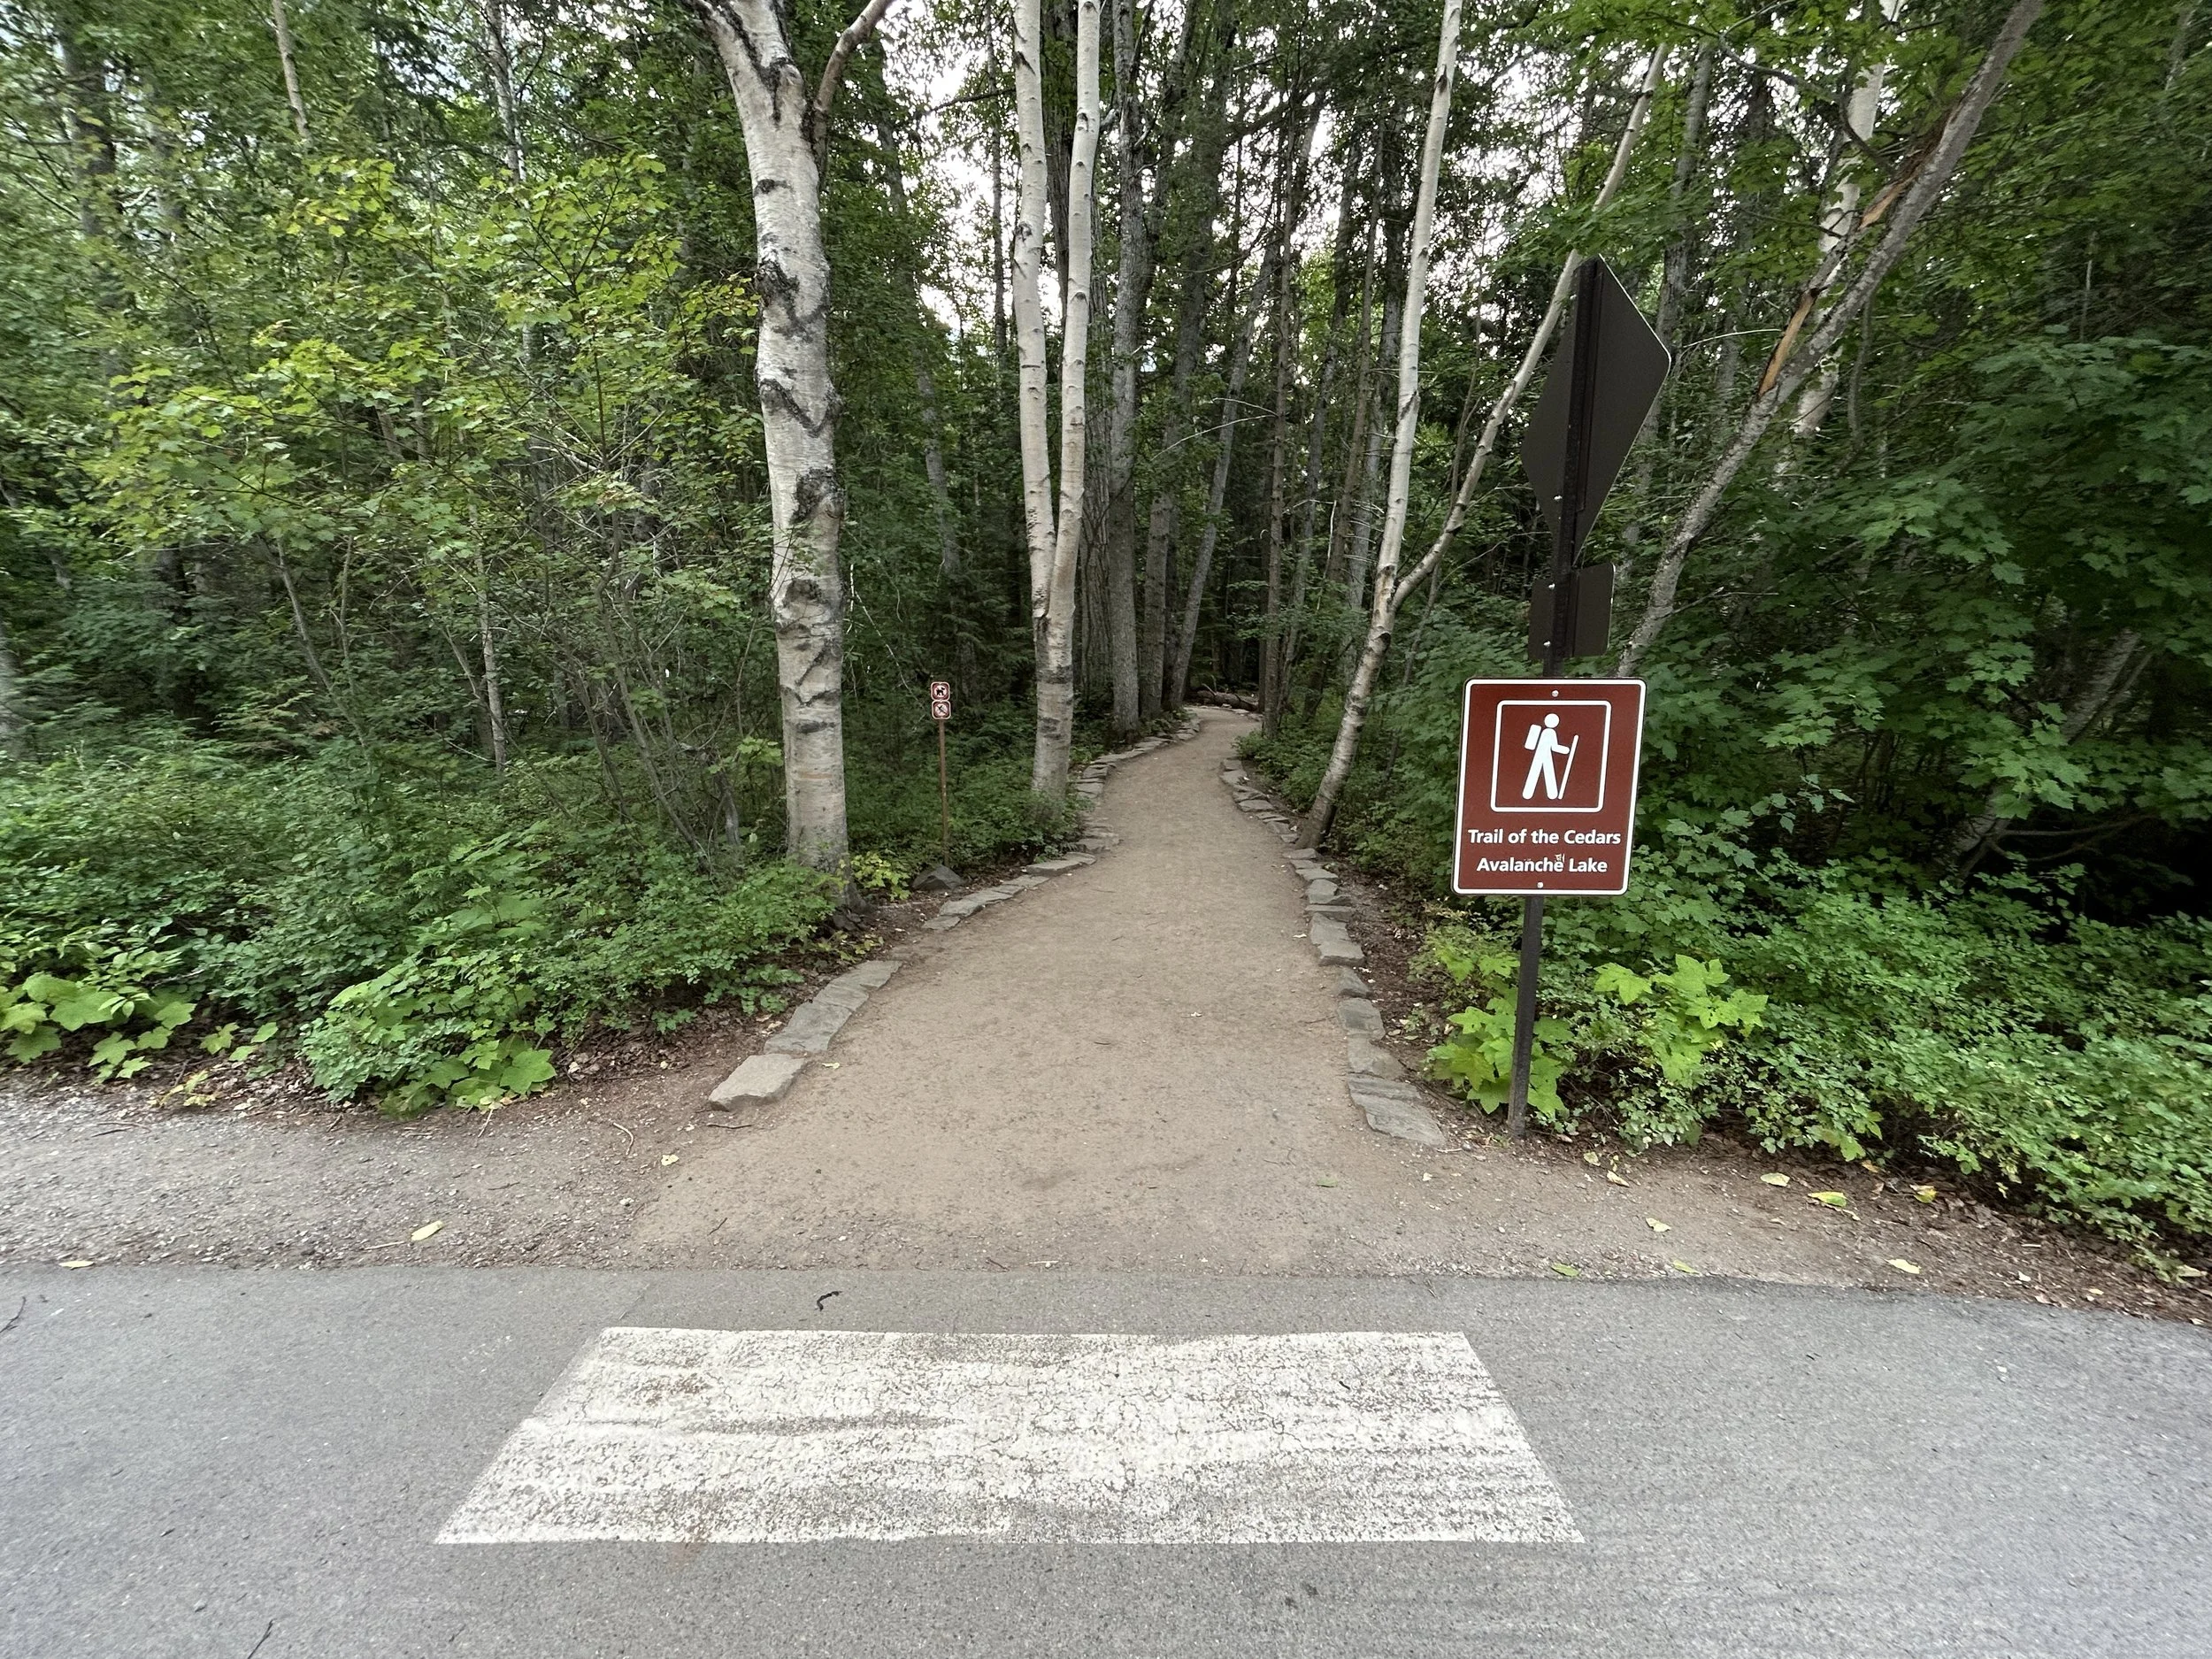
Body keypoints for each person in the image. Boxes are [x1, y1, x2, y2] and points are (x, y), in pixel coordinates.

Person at [1521, 712, 1577, 801]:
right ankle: (1530, 794)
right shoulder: (1547, 731)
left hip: (1545, 756)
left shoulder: (1549, 732)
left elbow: (1532, 745)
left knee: (1543, 773)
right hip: (1540, 755)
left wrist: (1565, 750)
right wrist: (1565, 750)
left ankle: (1549, 794)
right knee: (1539, 773)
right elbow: (1553, 747)